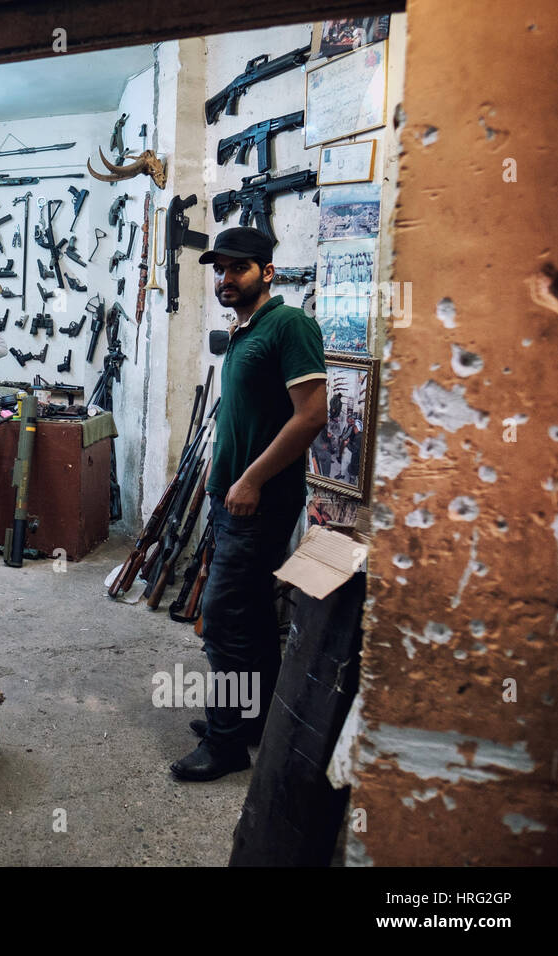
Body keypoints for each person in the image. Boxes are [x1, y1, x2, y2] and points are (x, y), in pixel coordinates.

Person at [171, 227, 328, 782]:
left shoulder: (288, 325)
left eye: (238, 268)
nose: (226, 278)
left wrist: (252, 480)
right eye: (220, 269)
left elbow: (311, 416)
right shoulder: (243, 331)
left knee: (223, 622)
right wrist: (225, 474)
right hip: (231, 496)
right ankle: (252, 719)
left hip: (257, 500)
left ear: (268, 272)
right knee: (255, 615)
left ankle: (226, 744)